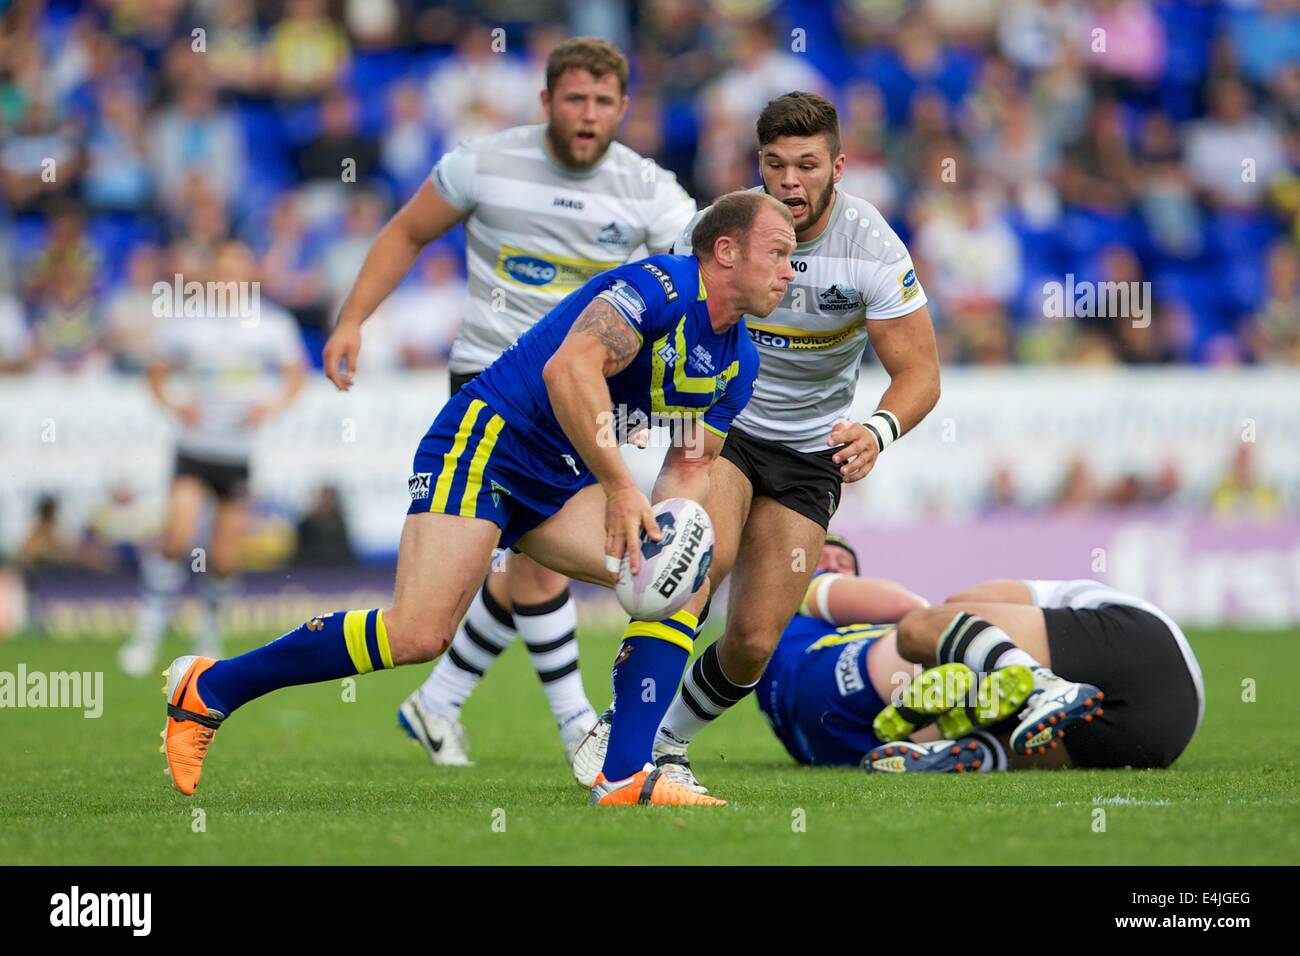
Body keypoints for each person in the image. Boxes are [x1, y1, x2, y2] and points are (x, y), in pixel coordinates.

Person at [160, 191, 795, 808]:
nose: (789, 272)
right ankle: (209, 686)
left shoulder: (739, 361)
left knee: (679, 578)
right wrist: (623, 488)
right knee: (418, 633)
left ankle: (625, 772)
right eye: (777, 252)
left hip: (559, 478)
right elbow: (568, 370)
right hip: (486, 444)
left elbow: (689, 466)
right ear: (725, 251)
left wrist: (671, 530)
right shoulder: (659, 287)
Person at [324, 37, 697, 769]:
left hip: (583, 391)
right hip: (489, 386)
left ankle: (439, 703)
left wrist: (655, 393)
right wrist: (352, 319)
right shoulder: (483, 163)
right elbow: (407, 232)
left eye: (603, 102)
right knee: (533, 565)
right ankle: (576, 726)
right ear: (547, 100)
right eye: (574, 98)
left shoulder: (650, 190)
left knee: (519, 561)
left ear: (624, 108)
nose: (588, 114)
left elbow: (694, 282)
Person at [572, 91, 941, 801]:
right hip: (721, 426)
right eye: (775, 165)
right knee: (689, 573)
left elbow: (921, 373)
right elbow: (665, 317)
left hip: (810, 453)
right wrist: (638, 402)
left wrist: (876, 430)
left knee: (752, 644)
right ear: (759, 164)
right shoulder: (723, 229)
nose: (790, 181)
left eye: (807, 165)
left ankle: (663, 737)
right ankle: (636, 747)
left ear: (838, 167)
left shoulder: (871, 246)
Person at [752, 539, 1202, 774]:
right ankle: (983, 739)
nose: (833, 566)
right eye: (824, 557)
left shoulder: (785, 618)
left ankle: (1026, 692)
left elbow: (945, 610)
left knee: (929, 629)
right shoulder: (796, 605)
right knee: (944, 645)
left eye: (843, 561)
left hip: (1145, 666)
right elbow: (937, 608)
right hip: (1157, 735)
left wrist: (928, 629)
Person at [118, 241, 307, 677]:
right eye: (222, 270)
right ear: (210, 276)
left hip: (237, 453)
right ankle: (147, 633)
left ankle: (209, 632)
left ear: (248, 275)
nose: (228, 279)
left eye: (236, 270)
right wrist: (174, 405)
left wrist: (271, 406)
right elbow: (156, 372)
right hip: (194, 448)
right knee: (177, 537)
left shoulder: (271, 324)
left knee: (223, 558)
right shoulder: (187, 324)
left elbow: (296, 375)